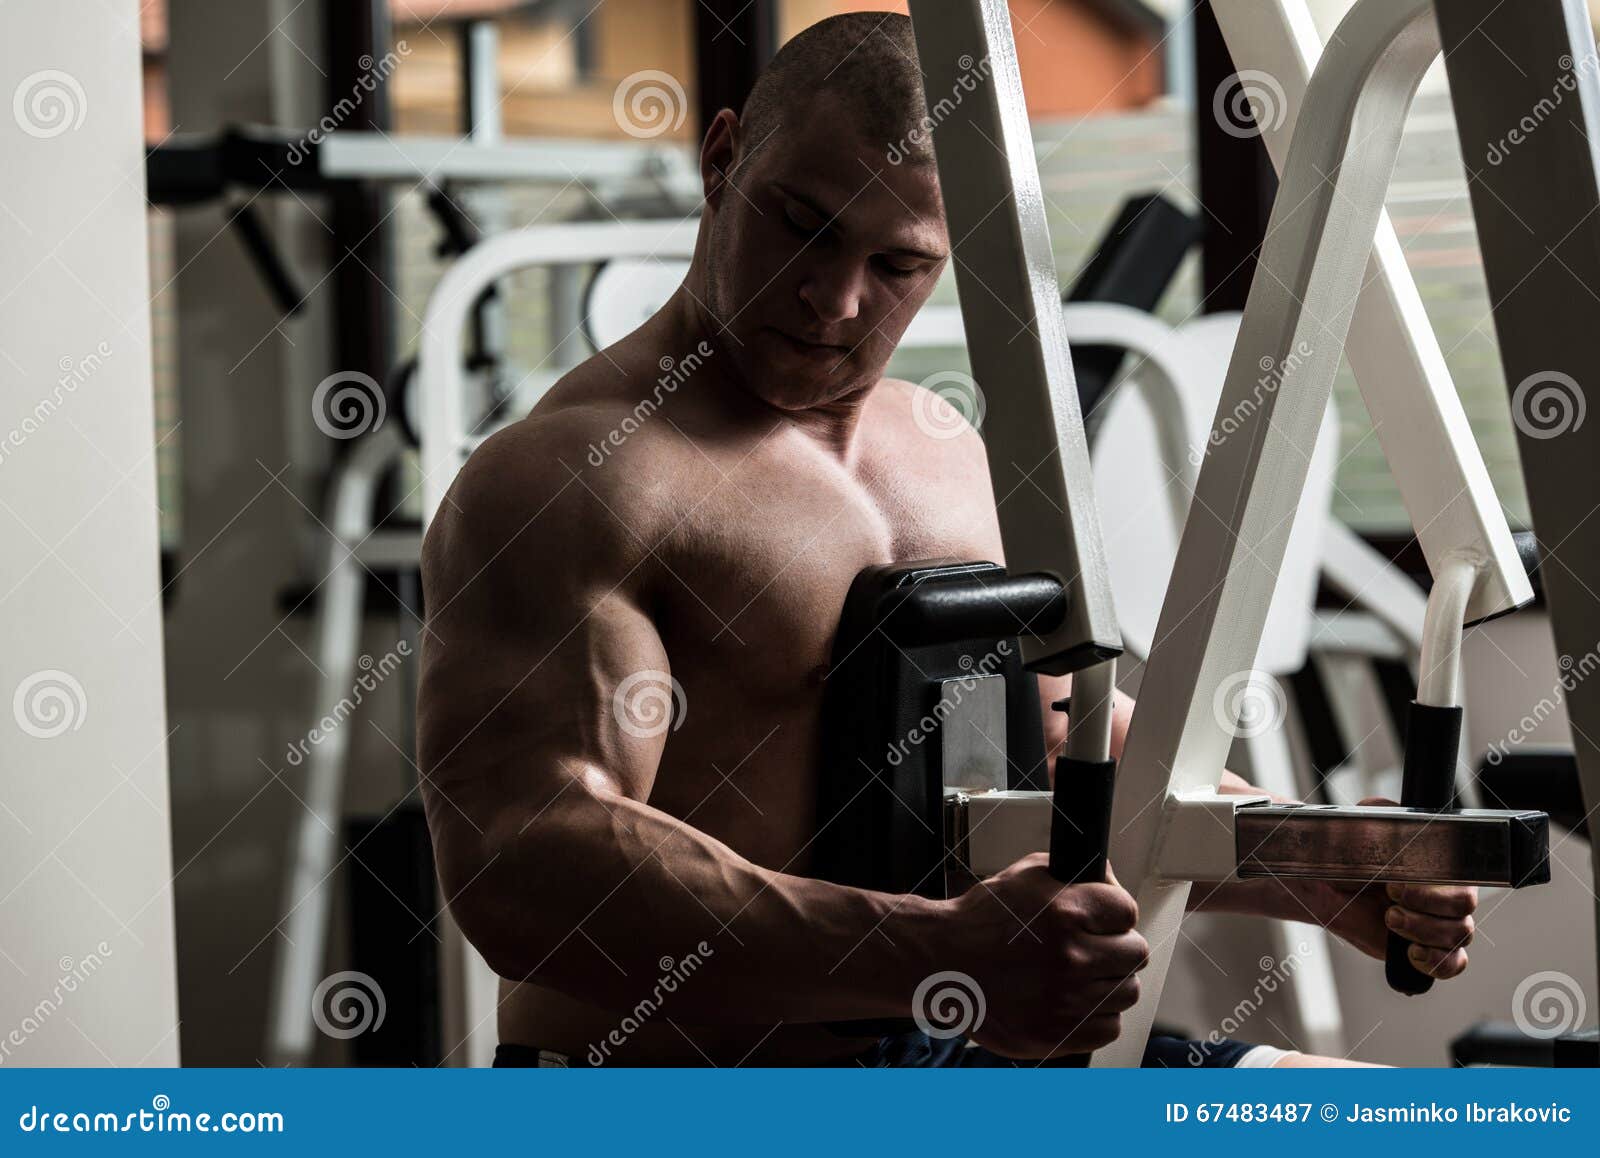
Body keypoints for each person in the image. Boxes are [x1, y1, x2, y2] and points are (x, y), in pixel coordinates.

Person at [417, 12, 1474, 1068]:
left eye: (894, 263)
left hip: (956, 1049)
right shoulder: (568, 478)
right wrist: (932, 955)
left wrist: (1323, 863)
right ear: (722, 156)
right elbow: (527, 859)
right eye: (800, 223)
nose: (834, 299)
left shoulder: (948, 449)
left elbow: (1057, 743)